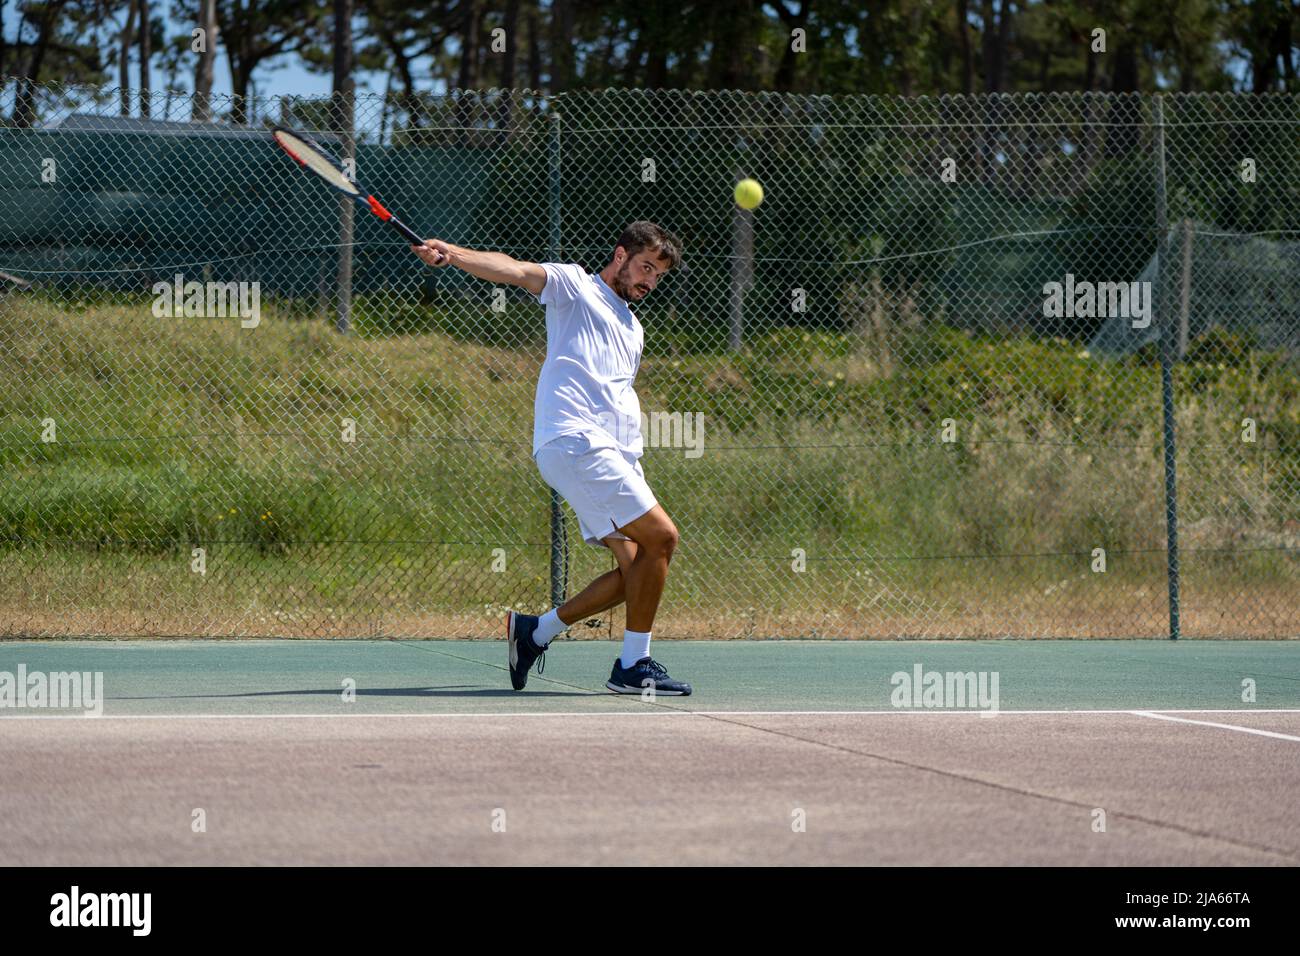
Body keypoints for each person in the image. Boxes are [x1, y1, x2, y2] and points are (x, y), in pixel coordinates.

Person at [411, 221, 692, 696]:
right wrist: (452, 254)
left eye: (659, 275)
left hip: (613, 454)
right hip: (576, 441)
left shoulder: (633, 327)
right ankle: (632, 665)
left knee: (638, 569)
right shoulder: (575, 286)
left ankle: (534, 632)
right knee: (663, 536)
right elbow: (514, 270)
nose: (650, 280)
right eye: (645, 267)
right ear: (620, 256)